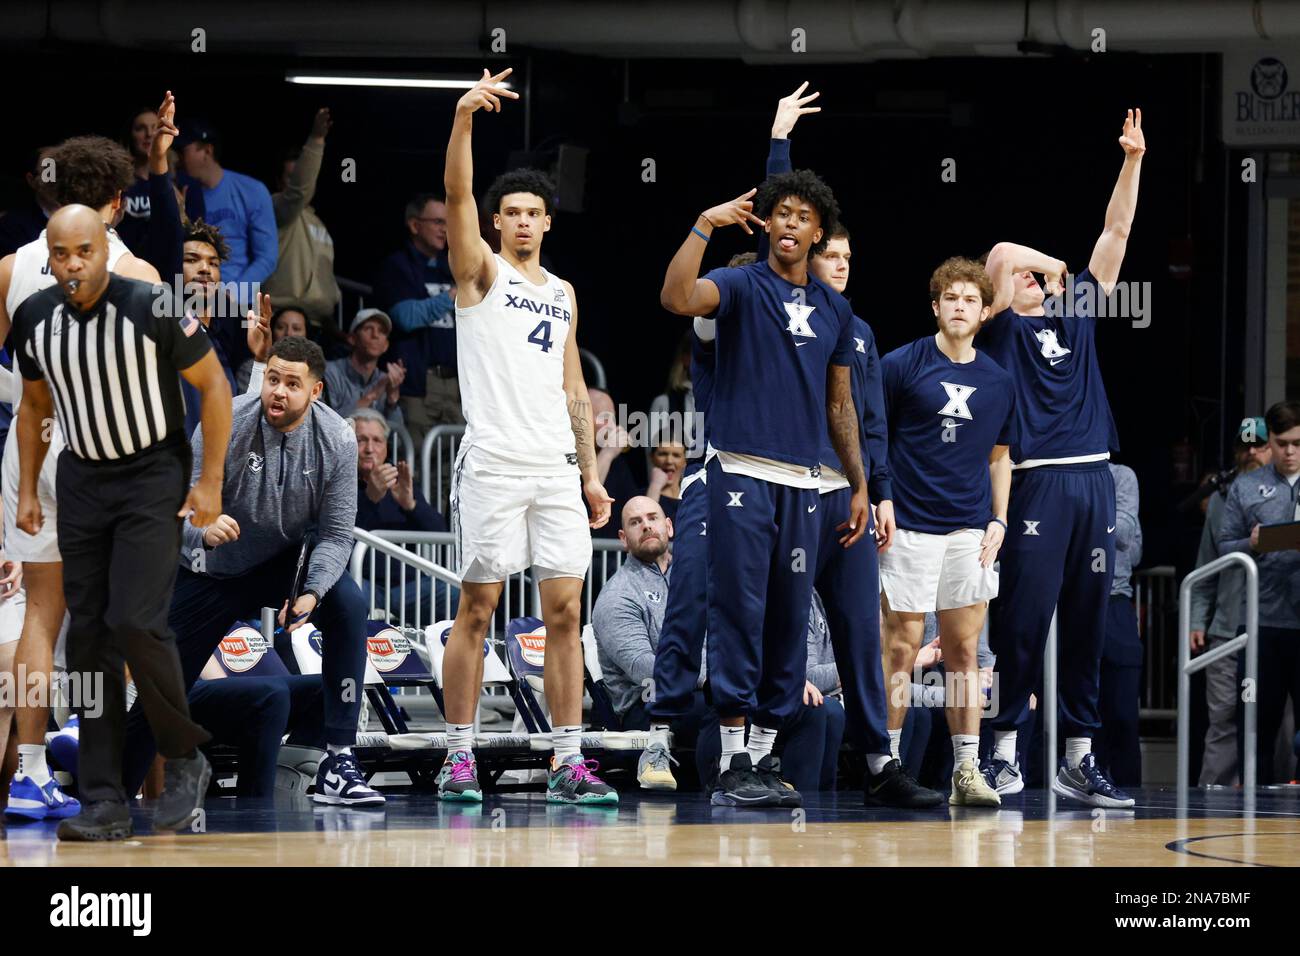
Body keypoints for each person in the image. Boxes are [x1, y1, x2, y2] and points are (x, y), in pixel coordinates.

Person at [11, 204, 233, 840]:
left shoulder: (156, 304)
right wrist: (28, 488)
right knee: (89, 640)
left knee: (136, 620)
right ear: (48, 257)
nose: (74, 264)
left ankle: (183, 756)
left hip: (152, 473)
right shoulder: (33, 318)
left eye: (85, 251)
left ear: (106, 249)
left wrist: (209, 482)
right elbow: (31, 406)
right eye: (62, 254)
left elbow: (214, 387)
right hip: (81, 477)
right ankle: (102, 799)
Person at [660, 162, 870, 808]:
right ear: (768, 222)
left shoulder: (836, 308)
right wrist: (702, 224)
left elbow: (841, 406)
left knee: (787, 619)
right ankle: (730, 761)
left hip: (808, 482)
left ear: (817, 234)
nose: (791, 224)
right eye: (782, 212)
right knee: (740, 612)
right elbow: (676, 297)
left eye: (805, 218)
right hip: (740, 473)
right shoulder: (740, 284)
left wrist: (859, 483)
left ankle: (766, 752)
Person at [434, 68, 615, 806]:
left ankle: (568, 761)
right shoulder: (479, 275)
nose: (521, 222)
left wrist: (592, 474)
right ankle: (457, 756)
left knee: (565, 612)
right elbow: (453, 199)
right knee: (476, 611)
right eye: (509, 211)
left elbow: (574, 386)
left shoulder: (563, 292)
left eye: (532, 212)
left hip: (553, 471)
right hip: (494, 468)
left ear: (547, 221)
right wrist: (463, 119)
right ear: (497, 221)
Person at [762, 85, 940, 808]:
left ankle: (878, 762)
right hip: (792, 484)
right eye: (824, 253)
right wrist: (778, 142)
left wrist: (884, 490)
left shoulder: (856, 331)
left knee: (863, 632)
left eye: (843, 255)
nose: (835, 263)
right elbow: (775, 216)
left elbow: (870, 423)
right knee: (782, 622)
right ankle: (762, 755)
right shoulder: (781, 300)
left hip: (852, 491)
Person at [118, 333, 380, 807]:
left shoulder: (338, 437)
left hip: (285, 564)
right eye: (273, 379)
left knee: (348, 603)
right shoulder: (228, 422)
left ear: (316, 391)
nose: (279, 391)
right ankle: (111, 795)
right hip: (214, 570)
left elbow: (337, 535)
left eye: (292, 384)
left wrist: (313, 592)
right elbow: (175, 511)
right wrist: (203, 527)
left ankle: (339, 761)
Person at [979, 108, 1146, 808]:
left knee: (1088, 619)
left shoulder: (1075, 312)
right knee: (1020, 622)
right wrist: (1043, 262)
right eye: (1028, 278)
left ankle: (1079, 759)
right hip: (1038, 484)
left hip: (1093, 479)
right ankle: (1003, 753)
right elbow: (999, 253)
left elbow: (1115, 233)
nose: (1036, 281)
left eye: (1042, 278)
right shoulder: (994, 327)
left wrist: (1132, 161)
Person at [0, 135, 163, 824]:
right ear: (118, 203)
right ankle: (99, 763)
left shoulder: (10, 267)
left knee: (42, 612)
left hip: (27, 444)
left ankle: (30, 771)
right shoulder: (140, 272)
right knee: (117, 617)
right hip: (104, 450)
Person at [878, 258, 1016, 807]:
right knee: (901, 649)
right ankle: (885, 764)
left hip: (968, 532)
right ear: (935, 306)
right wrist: (882, 498)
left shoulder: (999, 380)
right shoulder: (899, 364)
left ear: (984, 313)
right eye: (950, 298)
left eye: (970, 300)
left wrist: (1000, 518)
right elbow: (873, 439)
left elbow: (1000, 456)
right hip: (908, 526)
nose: (959, 306)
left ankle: (965, 769)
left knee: (963, 651)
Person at [1218, 399, 1300, 784]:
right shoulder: (1247, 485)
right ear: (1271, 441)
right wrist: (1251, 543)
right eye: (1282, 442)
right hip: (1261, 623)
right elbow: (1223, 546)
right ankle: (1258, 809)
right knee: (1257, 726)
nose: (1289, 451)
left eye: (1297, 443)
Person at [1190, 418, 1272, 785]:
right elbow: (1207, 566)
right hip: (1226, 625)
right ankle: (1215, 796)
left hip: (1273, 622)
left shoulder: (1290, 492)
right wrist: (1197, 619)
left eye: (1259, 445)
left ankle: (1280, 792)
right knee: (1221, 716)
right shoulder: (1221, 500)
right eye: (1244, 446)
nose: (1251, 452)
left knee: (1274, 717)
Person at [175, 119, 277, 367]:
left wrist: (232, 292)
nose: (177, 158)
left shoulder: (251, 190)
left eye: (184, 150)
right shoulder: (181, 191)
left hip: (236, 301)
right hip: (188, 296)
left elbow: (268, 256)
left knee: (240, 368)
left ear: (206, 151)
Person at [374, 193, 460, 450]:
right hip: (418, 385)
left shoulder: (452, 267)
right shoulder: (396, 267)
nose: (444, 229)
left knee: (453, 470)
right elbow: (406, 318)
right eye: (437, 222)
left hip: (455, 385)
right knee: (417, 465)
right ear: (414, 225)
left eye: (448, 222)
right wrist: (454, 295)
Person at [353, 407, 452, 624]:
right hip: (363, 582)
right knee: (348, 592)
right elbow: (338, 535)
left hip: (408, 588)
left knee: (459, 593)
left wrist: (411, 505)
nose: (370, 449)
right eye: (361, 440)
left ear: (386, 448)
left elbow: (440, 533)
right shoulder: (340, 481)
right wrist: (369, 498)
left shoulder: (401, 483)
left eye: (377, 441)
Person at [262, 108, 341, 333]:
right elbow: (298, 192)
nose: (299, 181)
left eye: (305, 175)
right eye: (292, 177)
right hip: (282, 319)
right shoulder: (275, 207)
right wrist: (316, 140)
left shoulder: (318, 223)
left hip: (316, 323)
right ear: (279, 182)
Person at [1095, 461, 1143, 788]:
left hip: (1115, 601)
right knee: (1081, 717)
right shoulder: (1054, 475)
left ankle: (1131, 794)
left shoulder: (1122, 475)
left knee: (1124, 715)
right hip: (1068, 602)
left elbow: (1127, 538)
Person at [323, 309, 405, 426]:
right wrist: (372, 395)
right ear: (352, 339)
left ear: (386, 345)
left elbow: (397, 439)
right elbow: (328, 426)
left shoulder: (385, 379)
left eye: (381, 331)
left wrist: (392, 399)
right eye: (368, 328)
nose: (375, 335)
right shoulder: (330, 372)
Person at [236, 307, 308, 393]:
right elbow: (247, 404)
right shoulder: (250, 368)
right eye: (281, 327)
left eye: (296, 328)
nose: (288, 333)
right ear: (271, 332)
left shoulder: (312, 369)